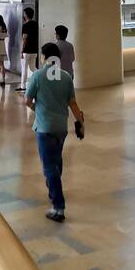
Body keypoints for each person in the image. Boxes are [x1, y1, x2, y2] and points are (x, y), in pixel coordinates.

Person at [26, 42, 85, 223]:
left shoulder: (37, 76)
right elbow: (73, 103)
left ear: (44, 56)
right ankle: (54, 186)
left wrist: (40, 109)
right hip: (61, 128)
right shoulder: (66, 77)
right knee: (57, 161)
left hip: (44, 128)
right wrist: (80, 122)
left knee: (49, 167)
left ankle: (58, 207)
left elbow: (28, 101)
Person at [20, 7, 40, 89]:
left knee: (24, 68)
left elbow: (25, 38)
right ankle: (40, 79)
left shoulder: (25, 25)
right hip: (34, 49)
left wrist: (22, 50)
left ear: (26, 15)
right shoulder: (35, 24)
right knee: (33, 67)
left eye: (24, 13)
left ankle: (22, 86)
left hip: (27, 50)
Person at [0, 13, 10, 86]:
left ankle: (2, 80)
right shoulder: (4, 27)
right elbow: (6, 35)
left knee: (0, 64)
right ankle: (3, 79)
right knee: (2, 64)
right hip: (2, 43)